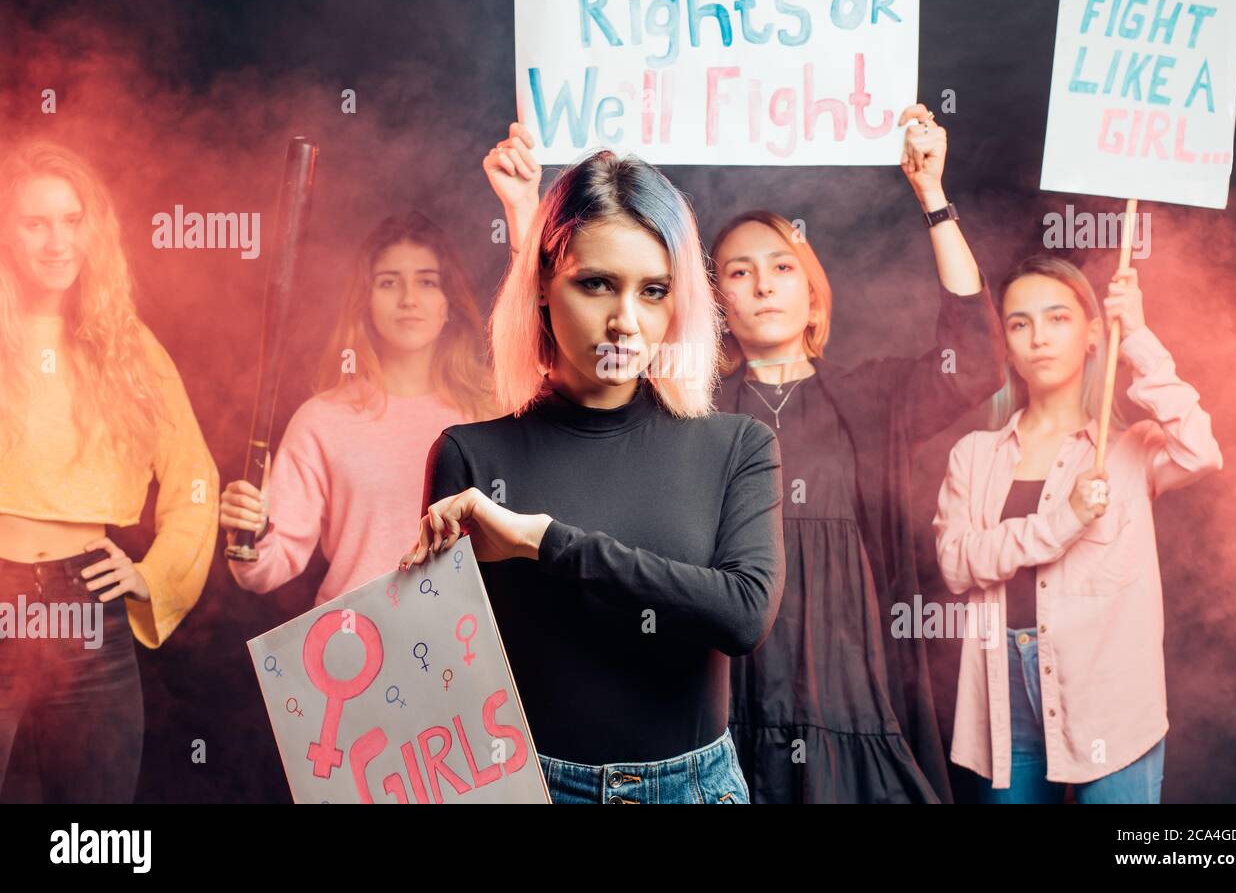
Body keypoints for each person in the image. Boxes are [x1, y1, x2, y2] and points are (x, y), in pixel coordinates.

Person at [401, 145, 785, 804]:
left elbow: (743, 616)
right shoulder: (469, 458)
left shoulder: (737, 445)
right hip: (530, 787)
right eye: (596, 283)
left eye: (654, 290)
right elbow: (443, 681)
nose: (625, 322)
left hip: (695, 789)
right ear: (544, 286)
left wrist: (542, 541)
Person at [711, 103, 1005, 803]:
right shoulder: (697, 412)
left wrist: (933, 195)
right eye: (739, 272)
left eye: (781, 265)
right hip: (737, 684)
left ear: (810, 291)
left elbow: (977, 362)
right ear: (717, 303)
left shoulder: (873, 396)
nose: (762, 284)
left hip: (855, 678)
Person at [933, 255, 1222, 803]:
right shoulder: (973, 455)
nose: (1038, 337)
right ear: (1008, 344)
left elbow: (1202, 452)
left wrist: (1136, 335)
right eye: (1020, 324)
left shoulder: (1130, 449)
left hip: (1109, 698)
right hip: (1003, 701)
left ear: (1093, 335)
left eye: (1058, 318)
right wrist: (1062, 521)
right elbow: (954, 562)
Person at [0, 141, 218, 801]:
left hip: (86, 605)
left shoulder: (125, 346)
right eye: (34, 222)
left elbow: (194, 478)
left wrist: (150, 575)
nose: (57, 241)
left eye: (72, 220)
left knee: (92, 832)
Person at [220, 211, 495, 606]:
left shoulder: (489, 412)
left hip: (464, 640)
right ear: (364, 302)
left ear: (448, 303)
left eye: (427, 281)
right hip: (355, 645)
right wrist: (252, 530)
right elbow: (265, 570)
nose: (408, 299)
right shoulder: (322, 419)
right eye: (388, 283)